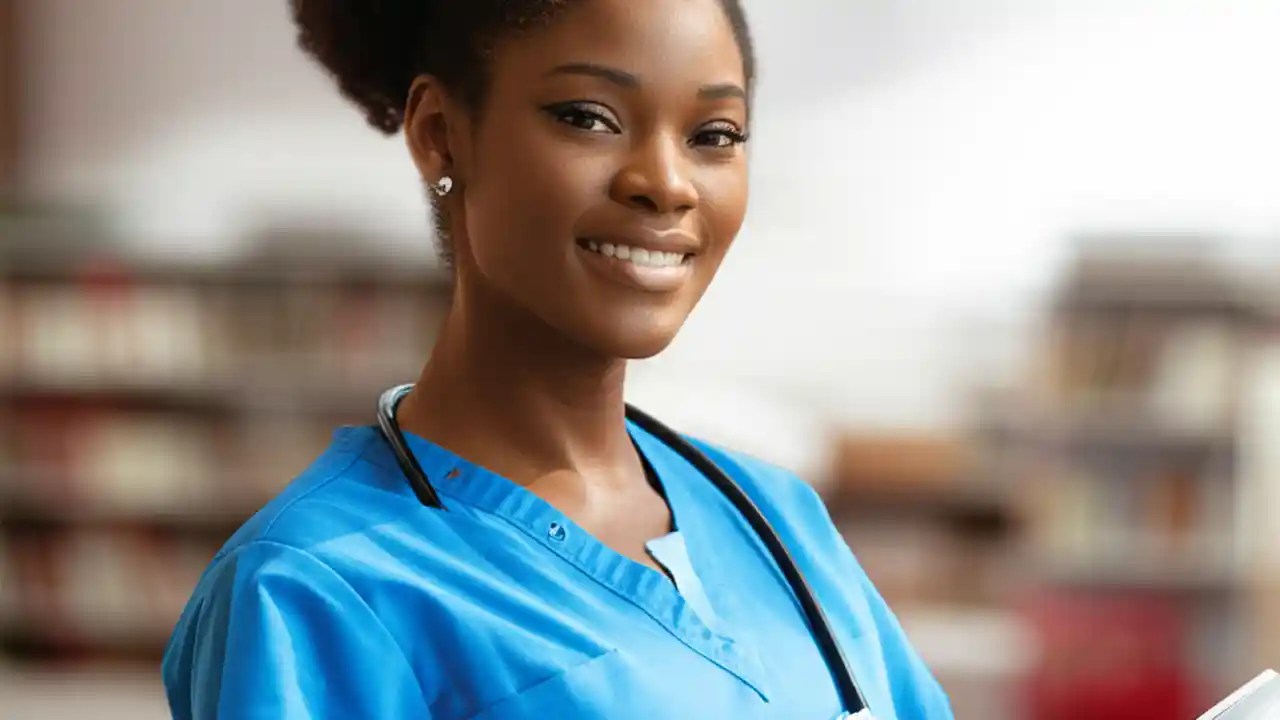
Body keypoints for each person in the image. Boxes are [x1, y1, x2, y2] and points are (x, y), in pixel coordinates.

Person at [161, 1, 953, 718]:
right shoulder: (317, 589)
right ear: (441, 133)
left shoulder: (777, 520)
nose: (666, 184)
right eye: (590, 117)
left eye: (714, 136)